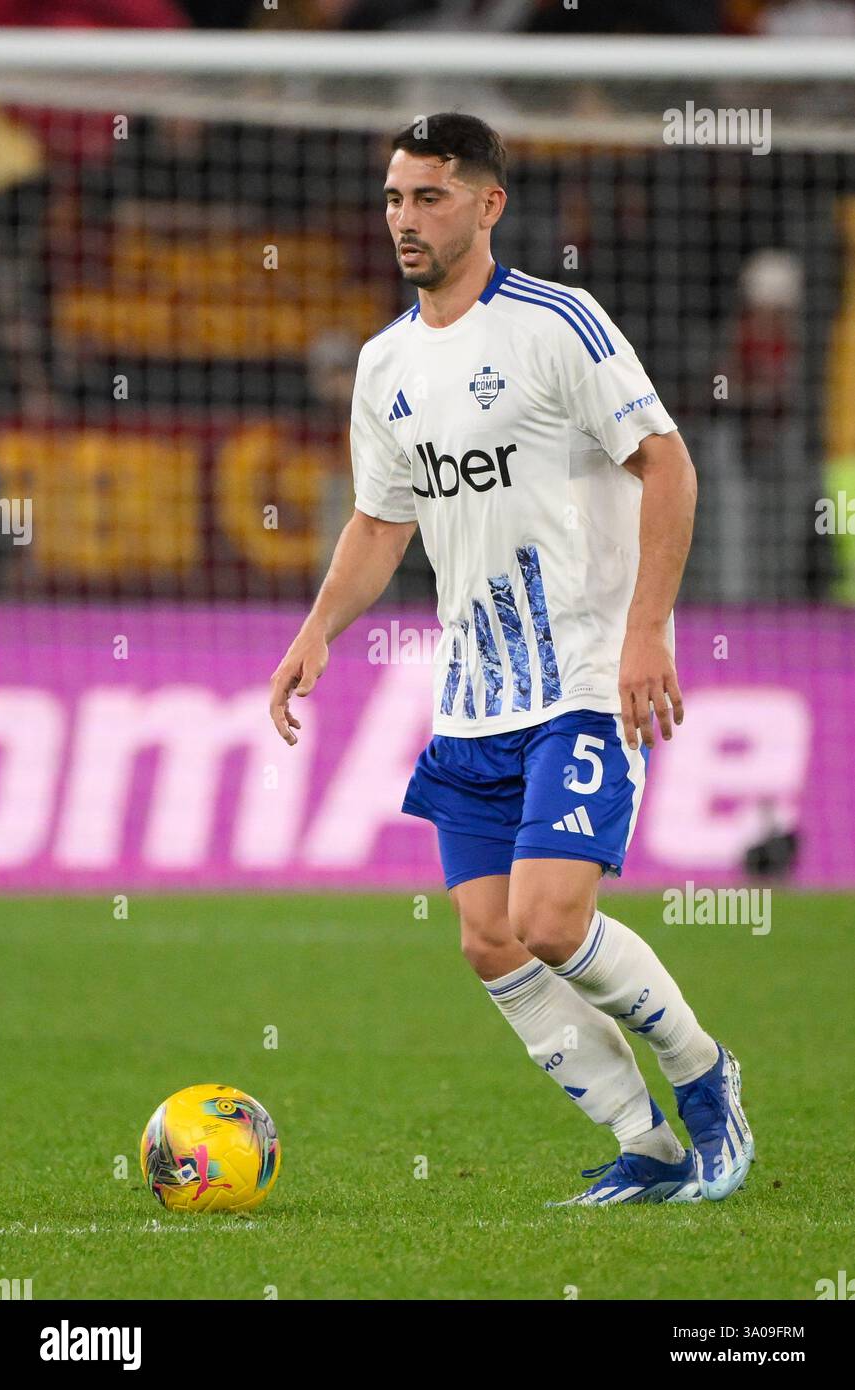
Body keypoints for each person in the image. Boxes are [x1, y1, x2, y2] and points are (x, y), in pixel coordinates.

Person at [270, 113, 754, 1205]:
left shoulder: (557, 323)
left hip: (584, 674)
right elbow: (380, 522)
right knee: (490, 942)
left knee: (550, 918)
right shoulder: (384, 362)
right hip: (471, 695)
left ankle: (704, 1074)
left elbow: (667, 466)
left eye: (430, 196)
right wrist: (317, 631)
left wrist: (645, 630)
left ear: (488, 204)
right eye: (395, 197)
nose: (405, 218)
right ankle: (648, 1144)